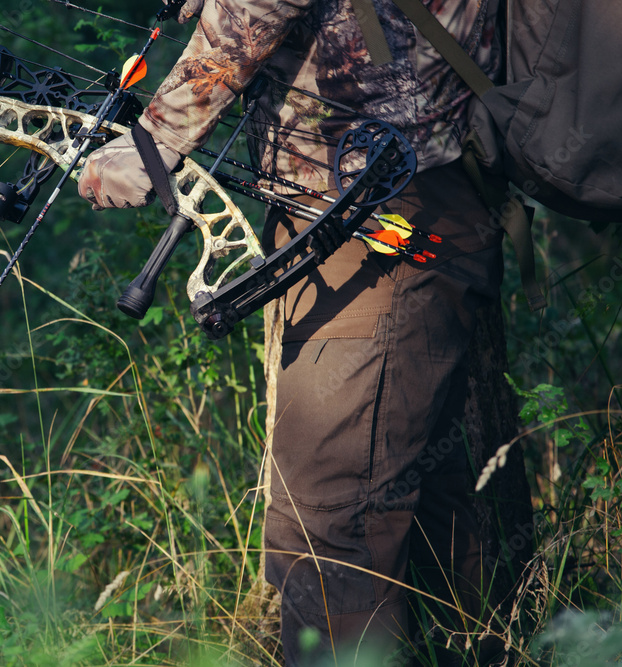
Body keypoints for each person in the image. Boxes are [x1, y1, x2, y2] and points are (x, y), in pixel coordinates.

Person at [78, 0, 509, 664]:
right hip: (374, 199)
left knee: (327, 522)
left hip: (382, 212)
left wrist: (156, 140)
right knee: (422, 502)